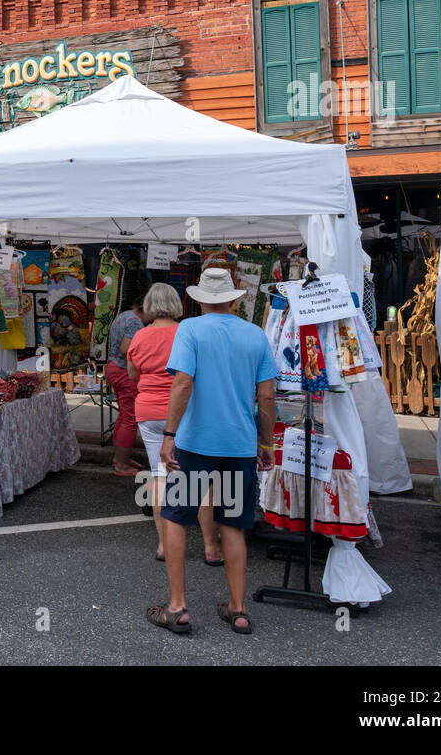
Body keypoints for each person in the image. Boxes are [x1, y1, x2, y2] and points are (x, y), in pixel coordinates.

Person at [148, 269, 276, 636]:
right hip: (238, 445)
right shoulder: (255, 335)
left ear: (201, 299)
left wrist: (169, 435)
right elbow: (266, 396)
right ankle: (237, 609)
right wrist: (264, 444)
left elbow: (183, 382)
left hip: (196, 444)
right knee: (233, 522)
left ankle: (177, 607)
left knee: (175, 515)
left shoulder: (190, 329)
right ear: (234, 300)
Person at [127, 282, 225, 564]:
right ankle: (210, 548)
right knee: (200, 479)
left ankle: (164, 546)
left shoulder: (140, 336)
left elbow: (134, 374)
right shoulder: (188, 331)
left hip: (148, 412)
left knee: (160, 476)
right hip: (184, 412)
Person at [104, 294, 146, 475]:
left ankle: (120, 458)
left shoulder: (125, 315)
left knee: (124, 416)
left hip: (113, 368)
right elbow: (125, 349)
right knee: (130, 419)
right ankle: (121, 465)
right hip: (124, 371)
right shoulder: (136, 321)